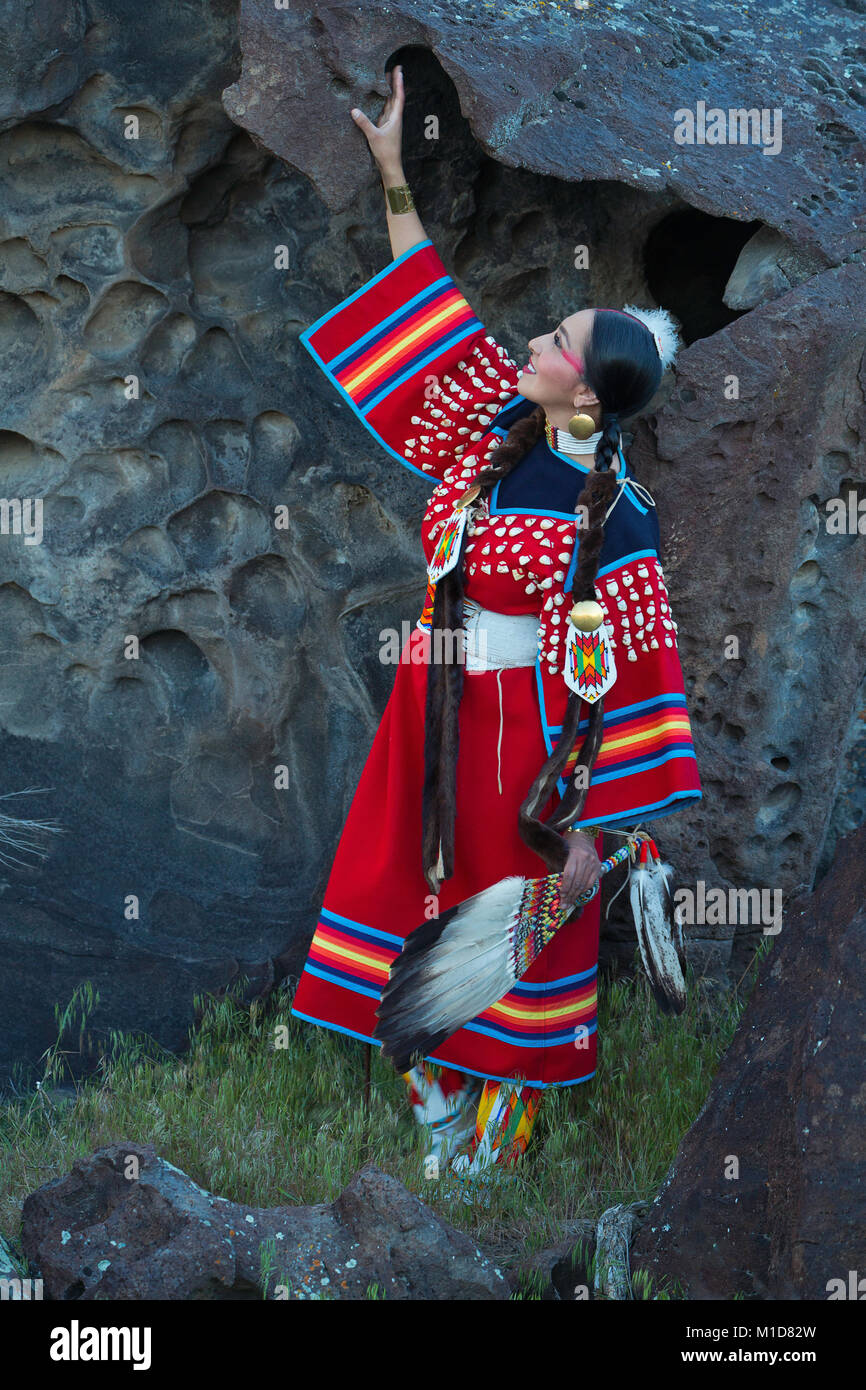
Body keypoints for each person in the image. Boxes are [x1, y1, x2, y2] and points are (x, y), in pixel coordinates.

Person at [291, 65, 701, 1178]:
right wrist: (389, 173)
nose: (528, 344)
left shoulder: (613, 516)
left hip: (528, 757)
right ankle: (433, 1108)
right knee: (394, 907)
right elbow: (428, 301)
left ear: (587, 393)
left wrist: (590, 834)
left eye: (554, 343)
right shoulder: (487, 431)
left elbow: (639, 681)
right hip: (428, 724)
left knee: (506, 935)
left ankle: (497, 1148)